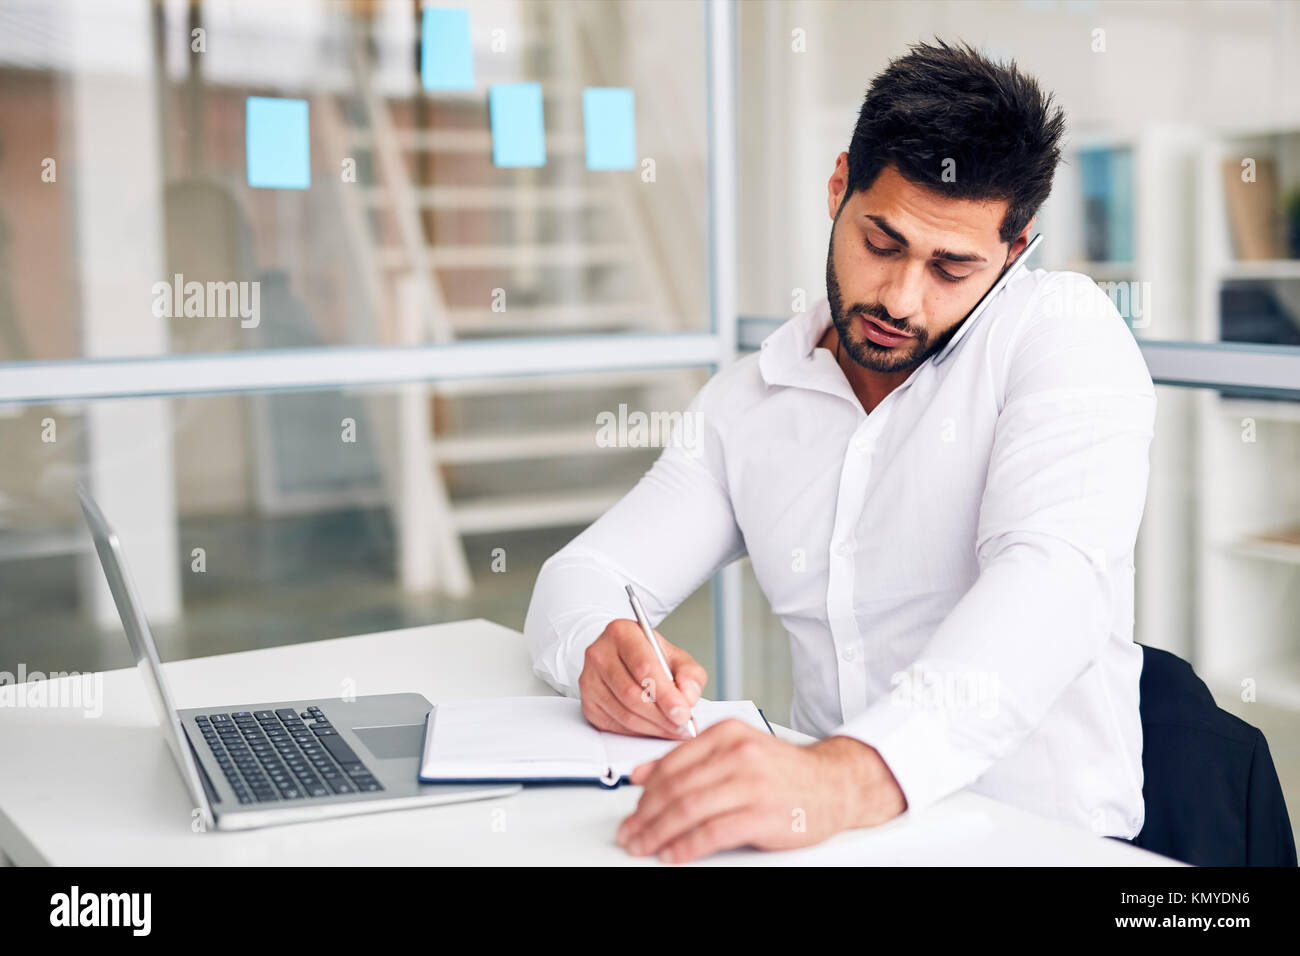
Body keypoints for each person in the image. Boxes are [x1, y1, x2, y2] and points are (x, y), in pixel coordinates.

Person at [524, 39, 1155, 864]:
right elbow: (577, 580)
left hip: (1039, 844)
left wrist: (843, 777)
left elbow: (1053, 582)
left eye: (951, 268)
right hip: (828, 844)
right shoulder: (750, 404)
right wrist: (600, 645)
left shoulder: (1062, 336)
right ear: (837, 188)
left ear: (1015, 249)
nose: (900, 298)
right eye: (883, 243)